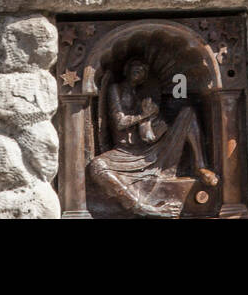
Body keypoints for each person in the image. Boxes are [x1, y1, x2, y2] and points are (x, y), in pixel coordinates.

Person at [88, 57, 218, 218]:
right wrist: (144, 115)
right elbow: (120, 122)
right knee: (97, 166)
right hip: (124, 153)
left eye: (143, 70)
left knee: (188, 114)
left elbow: (148, 135)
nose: (139, 71)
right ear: (125, 70)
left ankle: (200, 166)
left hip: (149, 151)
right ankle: (144, 208)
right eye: (136, 66)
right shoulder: (116, 89)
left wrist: (154, 121)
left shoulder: (143, 98)